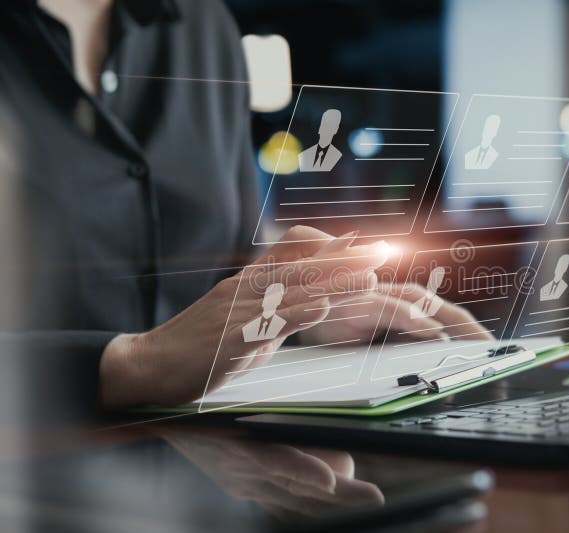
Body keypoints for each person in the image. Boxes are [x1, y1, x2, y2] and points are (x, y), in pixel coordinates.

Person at [0, 0, 490, 414]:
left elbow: (223, 273)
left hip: (203, 479)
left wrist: (303, 319)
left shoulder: (203, 27)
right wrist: (135, 364)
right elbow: (167, 352)